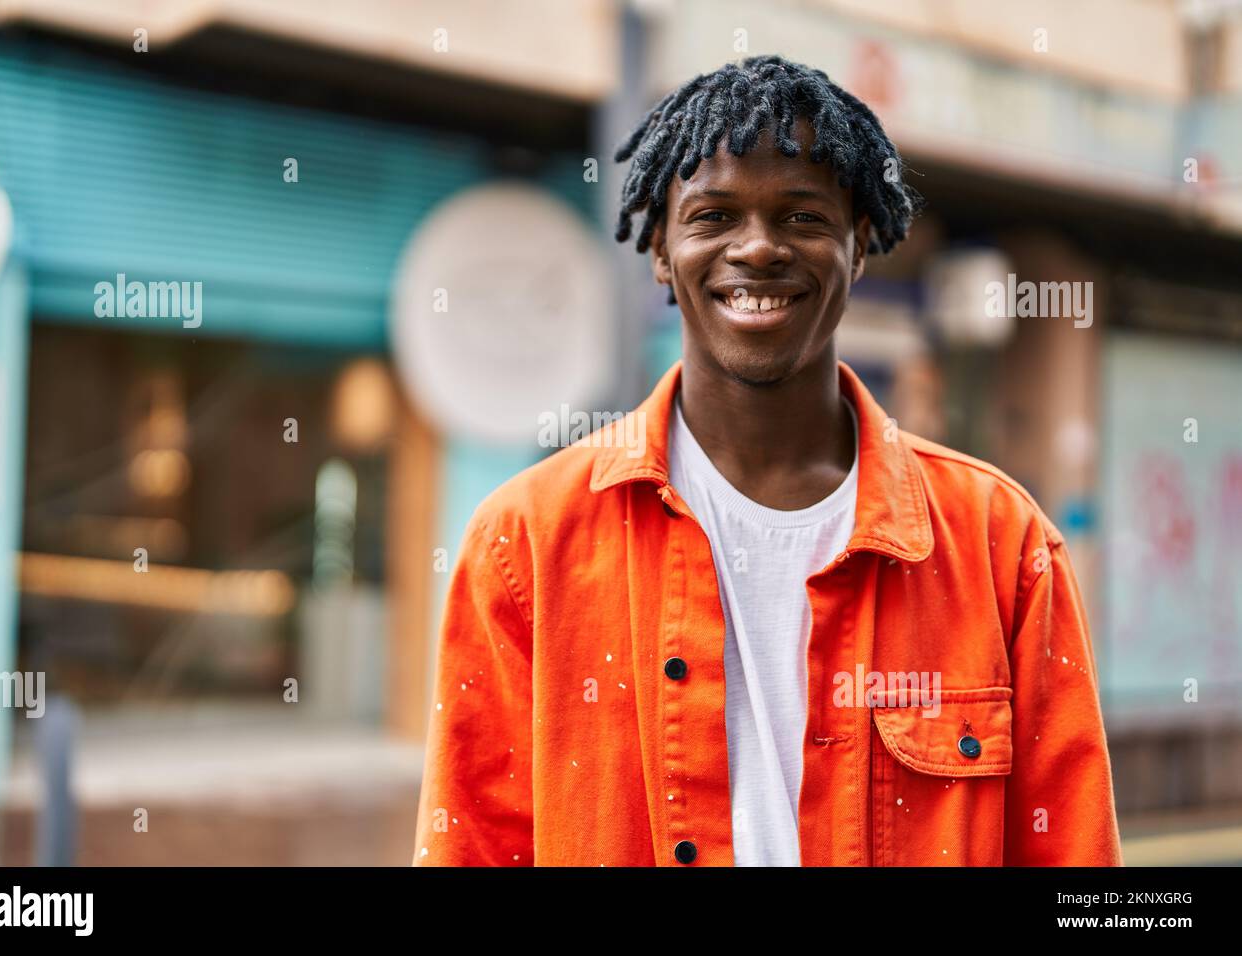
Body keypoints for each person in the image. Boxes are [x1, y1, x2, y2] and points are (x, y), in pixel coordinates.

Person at [412, 54, 1122, 866]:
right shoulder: (525, 543)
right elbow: (472, 842)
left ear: (859, 246)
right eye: (714, 216)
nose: (758, 249)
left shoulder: (1001, 543)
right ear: (658, 251)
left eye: (803, 218)